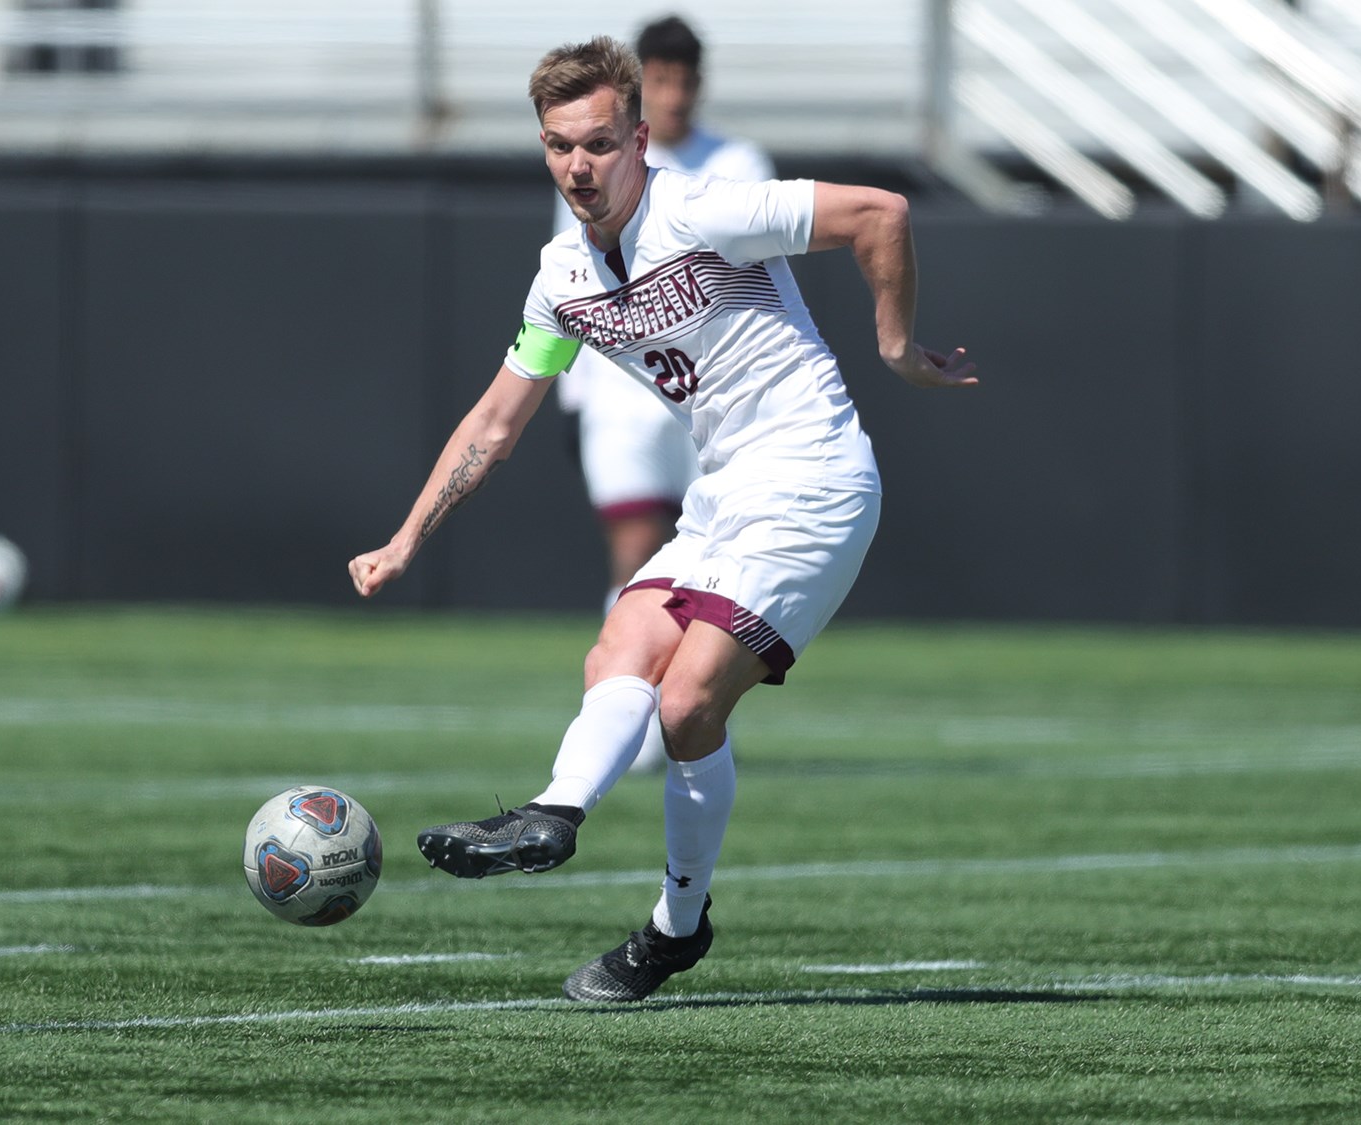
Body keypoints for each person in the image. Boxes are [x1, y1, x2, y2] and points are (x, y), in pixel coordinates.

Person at [347, 35, 976, 1003]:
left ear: (639, 138)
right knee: (619, 649)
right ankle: (554, 816)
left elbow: (879, 213)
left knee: (684, 705)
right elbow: (494, 423)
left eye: (598, 143)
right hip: (726, 493)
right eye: (559, 146)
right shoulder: (562, 280)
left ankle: (668, 925)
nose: (578, 166)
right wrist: (404, 538)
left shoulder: (705, 209)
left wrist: (893, 347)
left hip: (811, 481)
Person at [553, 14, 775, 774]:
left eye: (685, 80)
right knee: (636, 549)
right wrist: (574, 393)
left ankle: (695, 708)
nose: (674, 95)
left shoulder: (736, 161)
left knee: (716, 558)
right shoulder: (595, 165)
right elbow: (570, 285)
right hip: (625, 394)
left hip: (715, 396)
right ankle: (628, 717)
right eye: (661, 80)